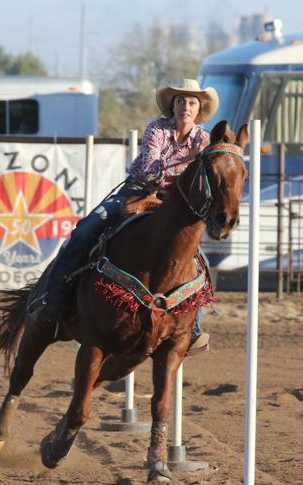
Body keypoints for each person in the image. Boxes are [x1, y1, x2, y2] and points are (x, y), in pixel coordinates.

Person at [29, 78, 219, 353]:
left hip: (175, 202)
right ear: (172, 106)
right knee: (84, 231)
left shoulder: (204, 140)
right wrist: (179, 172)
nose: (185, 107)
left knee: (195, 258)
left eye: (191, 103)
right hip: (137, 191)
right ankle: (53, 298)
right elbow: (149, 168)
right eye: (180, 102)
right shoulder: (157, 128)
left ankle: (193, 328)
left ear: (198, 110)